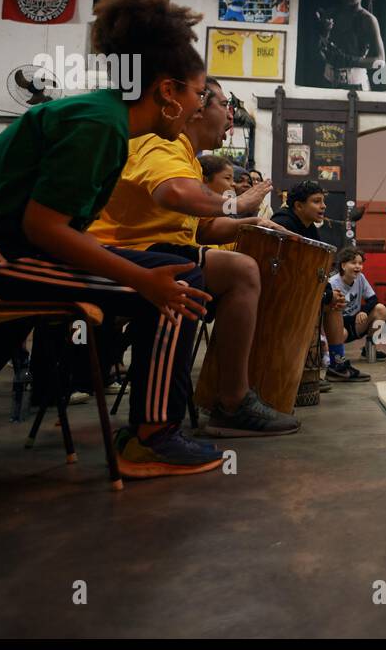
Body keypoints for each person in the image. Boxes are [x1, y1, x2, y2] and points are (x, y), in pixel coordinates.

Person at [0, 0, 222, 479]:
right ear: (167, 91)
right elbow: (44, 228)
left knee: (179, 273)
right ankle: (152, 437)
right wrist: (144, 281)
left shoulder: (106, 119)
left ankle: (151, 432)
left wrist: (147, 275)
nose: (198, 106)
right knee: (177, 283)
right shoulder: (100, 124)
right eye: (199, 93)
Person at [86, 77, 298, 438]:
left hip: (154, 251)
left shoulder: (187, 157)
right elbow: (172, 194)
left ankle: (228, 398)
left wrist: (252, 222)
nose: (230, 118)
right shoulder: (161, 142)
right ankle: (229, 401)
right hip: (120, 257)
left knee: (240, 269)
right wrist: (237, 203)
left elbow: (202, 231)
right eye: (221, 107)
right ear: (197, 110)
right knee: (240, 270)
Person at [328, 246, 386, 378]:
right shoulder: (332, 283)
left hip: (357, 323)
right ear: (343, 265)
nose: (358, 266)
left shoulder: (361, 278)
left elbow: (373, 299)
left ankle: (372, 349)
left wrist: (364, 311)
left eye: (360, 263)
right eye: (353, 263)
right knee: (341, 334)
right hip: (339, 326)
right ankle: (334, 359)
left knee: (381, 309)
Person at [271, 180, 346, 251]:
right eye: (316, 201)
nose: (324, 206)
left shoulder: (311, 228)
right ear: (299, 206)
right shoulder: (281, 223)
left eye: (323, 201)